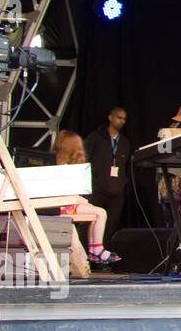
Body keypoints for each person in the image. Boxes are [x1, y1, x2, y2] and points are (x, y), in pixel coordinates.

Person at [54, 130, 120, 265]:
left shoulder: (58, 165)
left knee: (95, 211)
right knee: (101, 213)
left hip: (66, 203)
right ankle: (97, 249)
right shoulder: (66, 169)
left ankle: (94, 250)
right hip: (63, 205)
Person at [82, 107, 130, 245]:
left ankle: (102, 255)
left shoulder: (124, 142)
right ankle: (84, 255)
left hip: (116, 191)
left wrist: (123, 184)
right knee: (89, 223)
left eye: (124, 118)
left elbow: (124, 165)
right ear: (110, 118)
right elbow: (84, 159)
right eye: (119, 117)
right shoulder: (95, 138)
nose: (121, 121)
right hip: (97, 189)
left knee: (110, 225)